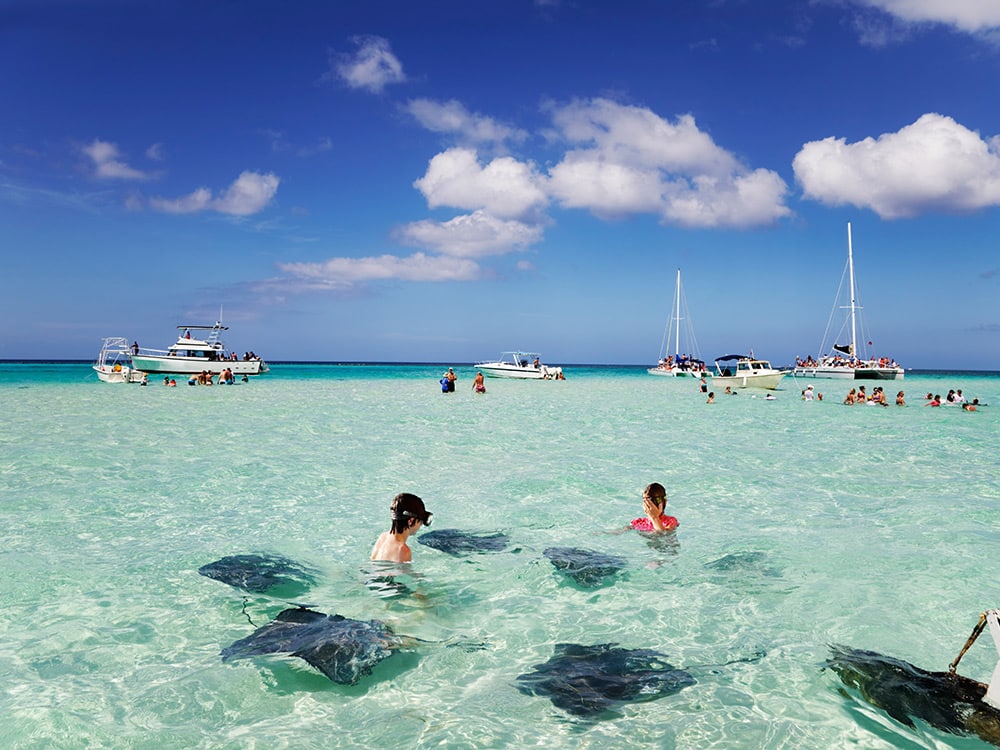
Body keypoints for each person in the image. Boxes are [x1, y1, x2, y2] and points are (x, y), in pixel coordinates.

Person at [370, 492, 433, 563]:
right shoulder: (403, 550)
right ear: (411, 521)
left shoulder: (382, 537)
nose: (421, 524)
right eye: (420, 521)